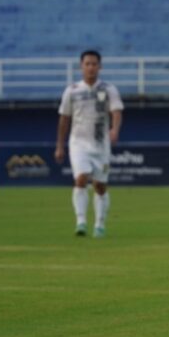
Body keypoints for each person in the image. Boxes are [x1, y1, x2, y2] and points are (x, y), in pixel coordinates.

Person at [55, 50, 123, 238]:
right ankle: (81, 221)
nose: (91, 67)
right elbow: (64, 119)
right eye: (87, 64)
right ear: (81, 66)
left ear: (99, 67)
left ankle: (100, 224)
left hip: (101, 145)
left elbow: (116, 111)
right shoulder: (72, 90)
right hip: (78, 143)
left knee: (100, 186)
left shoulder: (108, 89)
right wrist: (60, 145)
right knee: (81, 178)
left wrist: (115, 130)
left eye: (94, 64)